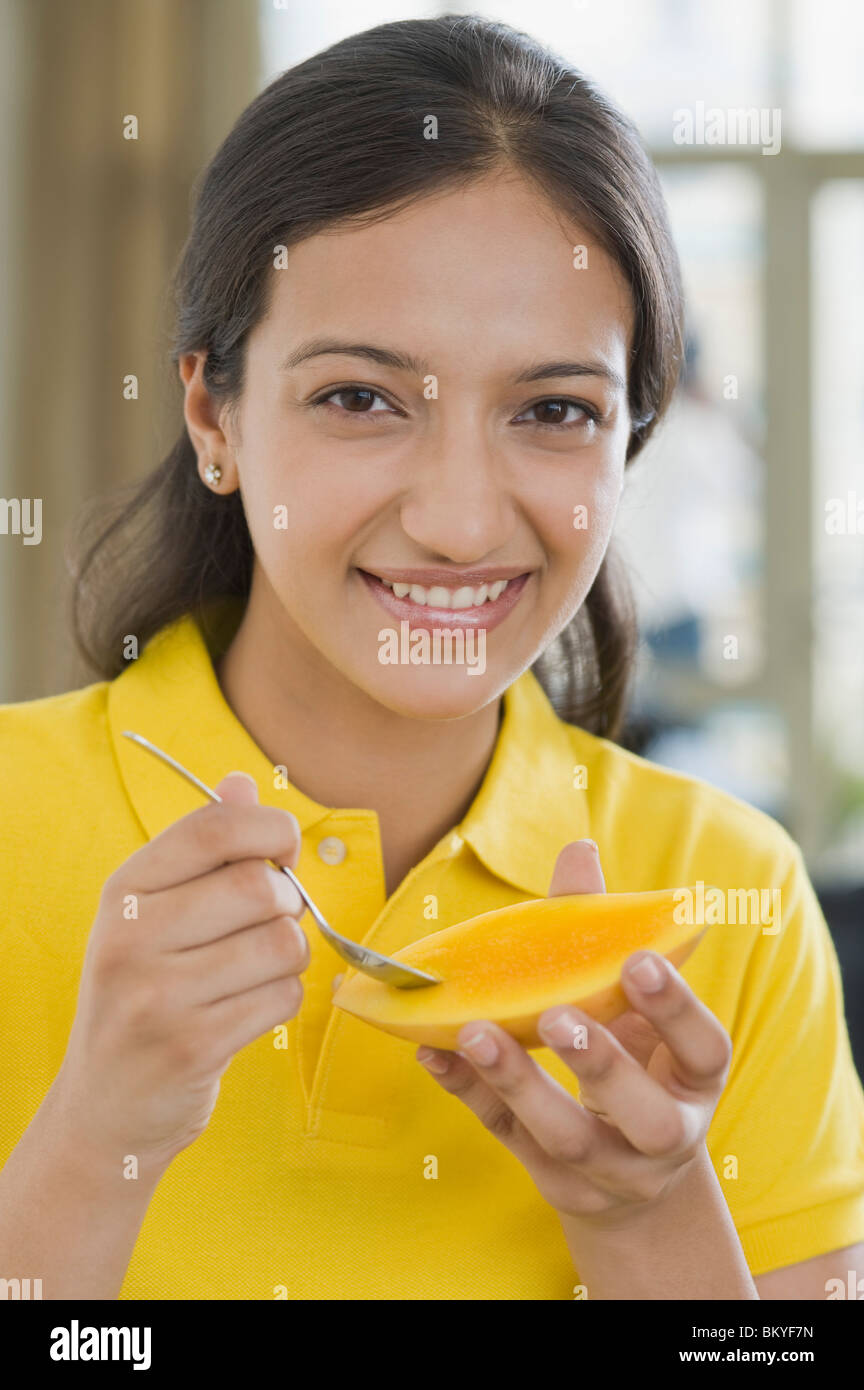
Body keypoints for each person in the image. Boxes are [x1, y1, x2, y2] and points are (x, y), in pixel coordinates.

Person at [1, 13, 862, 1302]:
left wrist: (647, 1219)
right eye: (361, 398)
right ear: (212, 413)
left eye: (553, 411)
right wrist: (97, 1141)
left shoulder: (724, 897)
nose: (460, 521)